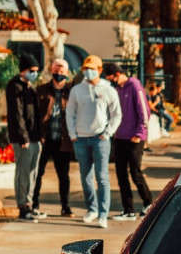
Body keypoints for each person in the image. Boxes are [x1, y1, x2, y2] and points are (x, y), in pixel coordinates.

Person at [66, 55, 121, 229]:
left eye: (92, 68)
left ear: (99, 70)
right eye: (85, 69)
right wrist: (73, 134)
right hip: (80, 139)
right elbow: (70, 113)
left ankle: (103, 214)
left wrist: (108, 132)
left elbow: (116, 114)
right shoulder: (76, 90)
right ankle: (92, 209)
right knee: (86, 177)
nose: (88, 71)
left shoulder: (108, 89)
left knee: (102, 177)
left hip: (100, 139)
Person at [103, 62, 153, 221]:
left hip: (134, 137)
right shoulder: (117, 89)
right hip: (120, 137)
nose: (110, 81)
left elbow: (144, 111)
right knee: (121, 174)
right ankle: (128, 210)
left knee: (135, 172)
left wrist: (139, 132)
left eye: (111, 78)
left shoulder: (134, 85)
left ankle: (148, 203)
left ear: (117, 74)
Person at [34, 59, 73, 217]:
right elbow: (35, 115)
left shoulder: (71, 91)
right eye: (56, 69)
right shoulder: (42, 90)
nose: (59, 73)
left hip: (63, 140)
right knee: (38, 173)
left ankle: (65, 206)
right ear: (51, 70)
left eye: (62, 70)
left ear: (67, 72)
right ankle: (34, 204)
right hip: (45, 139)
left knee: (63, 175)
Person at [5, 53, 42, 221]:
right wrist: (23, 137)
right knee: (23, 173)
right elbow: (17, 115)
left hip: (34, 138)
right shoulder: (14, 87)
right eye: (32, 70)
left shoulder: (29, 87)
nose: (34, 73)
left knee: (33, 173)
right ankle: (22, 206)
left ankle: (30, 203)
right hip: (23, 140)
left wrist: (39, 136)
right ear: (24, 70)